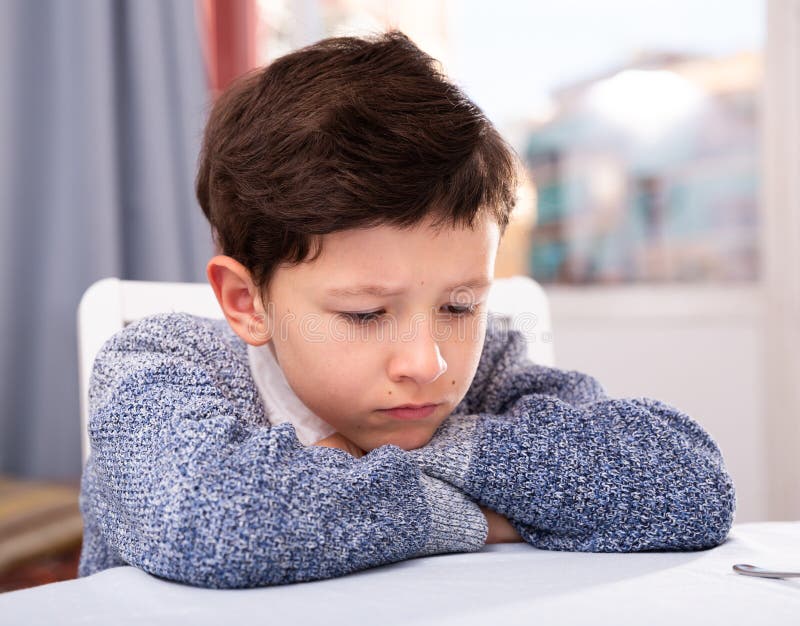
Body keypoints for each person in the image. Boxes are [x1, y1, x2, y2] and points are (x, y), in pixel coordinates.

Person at [78, 31, 736, 589]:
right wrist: (478, 516)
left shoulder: (491, 372)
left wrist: (369, 476)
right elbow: (208, 522)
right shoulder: (158, 364)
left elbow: (692, 486)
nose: (429, 362)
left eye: (459, 305)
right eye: (366, 314)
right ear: (248, 302)